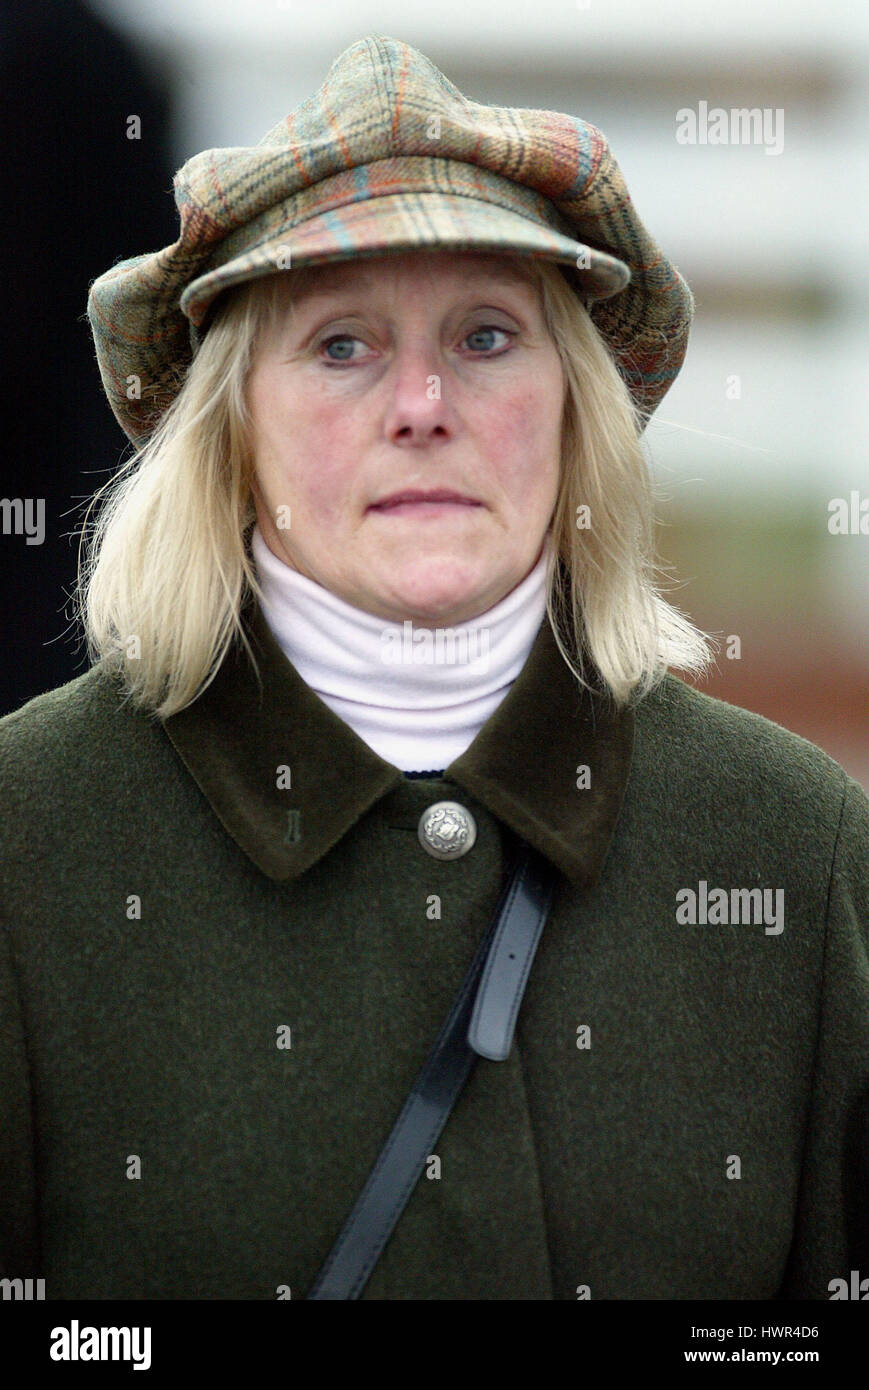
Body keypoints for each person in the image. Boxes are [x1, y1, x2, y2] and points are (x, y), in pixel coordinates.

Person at [1, 33, 867, 1302]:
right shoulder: (31, 839)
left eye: (485, 336)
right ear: (228, 429)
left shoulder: (796, 849)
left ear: (577, 411)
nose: (418, 402)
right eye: (340, 344)